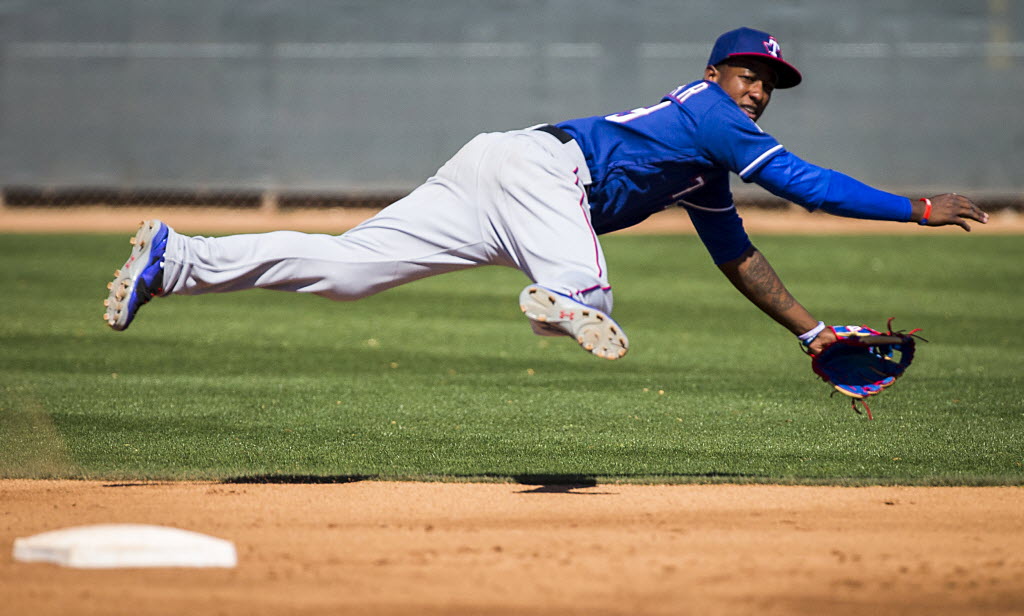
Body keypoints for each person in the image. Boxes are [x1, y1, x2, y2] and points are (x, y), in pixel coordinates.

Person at [104, 26, 988, 359]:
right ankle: (561, 299)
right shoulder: (711, 113)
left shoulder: (704, 163)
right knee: (590, 289)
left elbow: (736, 253)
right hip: (541, 172)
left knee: (347, 272)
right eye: (751, 73)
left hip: (504, 177)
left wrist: (812, 332)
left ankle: (177, 261)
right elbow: (807, 188)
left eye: (773, 81)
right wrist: (915, 208)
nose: (760, 88)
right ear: (716, 72)